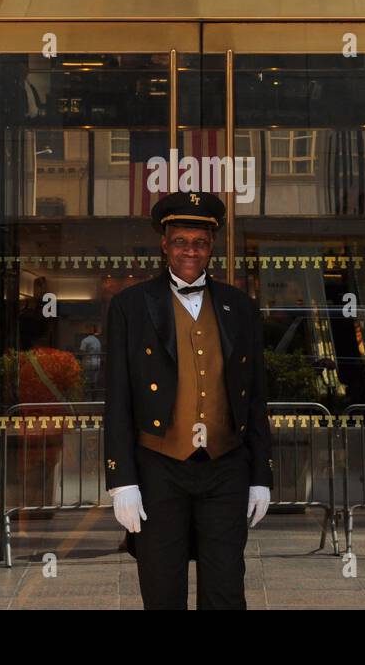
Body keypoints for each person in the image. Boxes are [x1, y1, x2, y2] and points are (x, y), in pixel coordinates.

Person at [103, 190, 273, 609]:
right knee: (162, 587)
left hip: (225, 466)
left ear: (212, 246)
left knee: (226, 587)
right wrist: (121, 480)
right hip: (159, 466)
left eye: (199, 243)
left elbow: (255, 399)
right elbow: (118, 397)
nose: (190, 251)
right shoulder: (130, 306)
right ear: (164, 244)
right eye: (180, 241)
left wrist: (261, 476)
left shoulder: (240, 306)